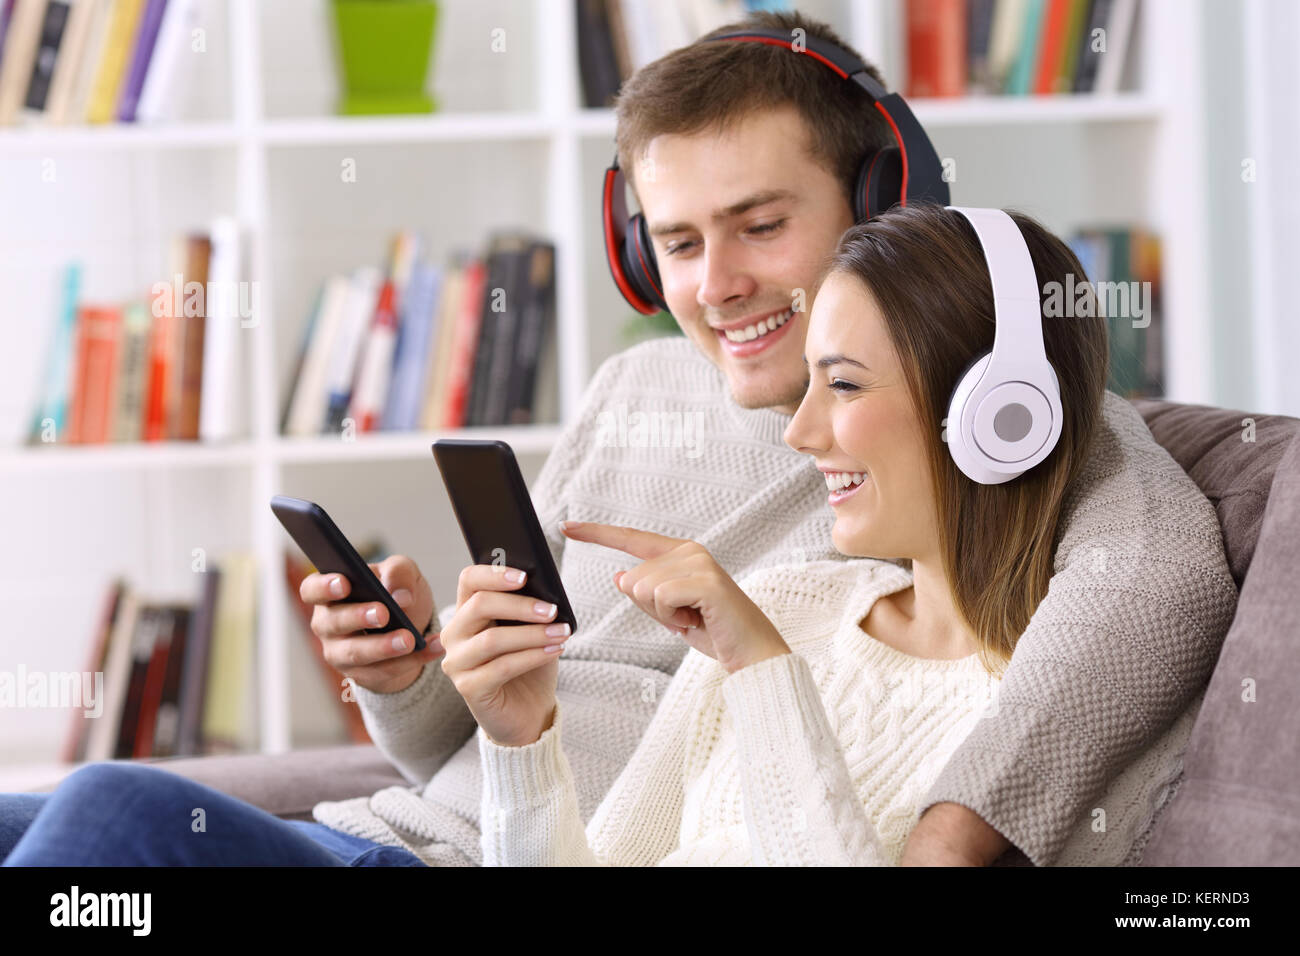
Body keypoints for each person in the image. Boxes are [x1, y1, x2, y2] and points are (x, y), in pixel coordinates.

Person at [1, 11, 1236, 867]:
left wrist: (961, 824)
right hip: (400, 825)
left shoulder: (970, 423)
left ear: (879, 201)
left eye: (759, 224)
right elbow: (494, 729)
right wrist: (417, 683)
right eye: (681, 243)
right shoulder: (633, 388)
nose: (718, 284)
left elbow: (1166, 570)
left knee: (108, 808)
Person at [439, 202, 1198, 865]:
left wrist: (766, 671)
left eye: (842, 384)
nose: (799, 433)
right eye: (809, 384)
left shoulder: (1037, 730)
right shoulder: (785, 605)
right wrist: (522, 743)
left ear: (1003, 416)